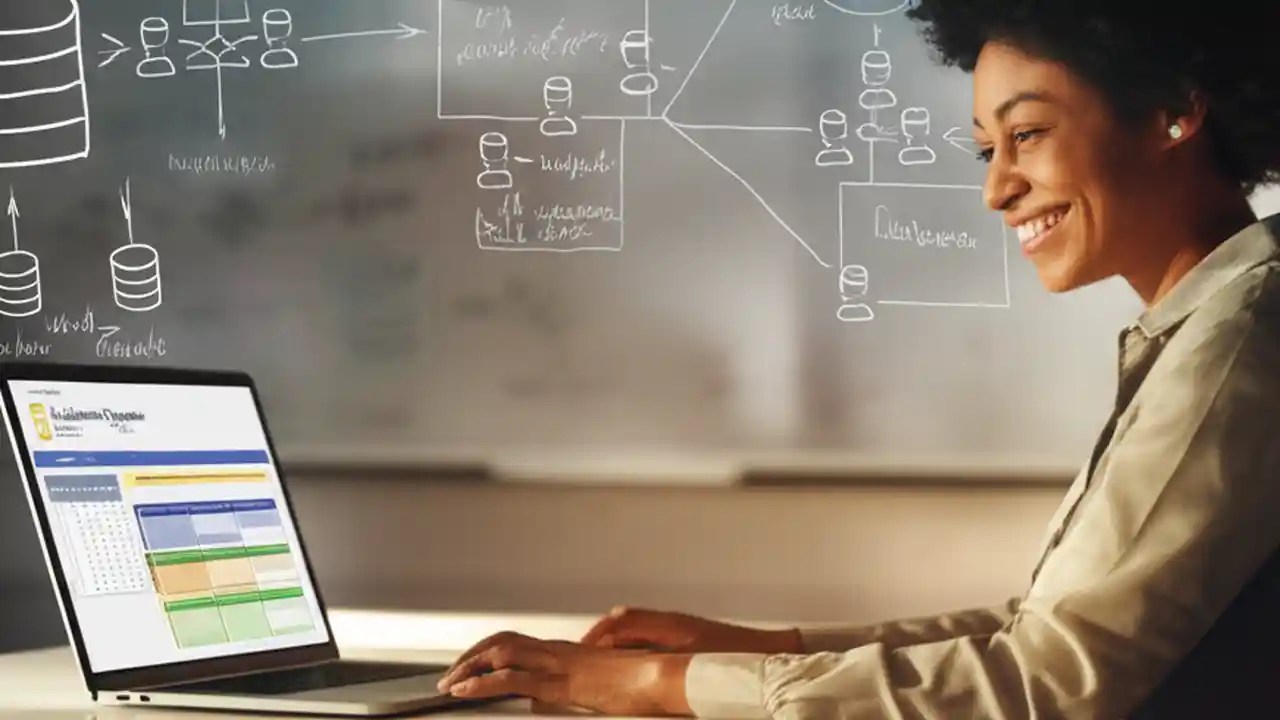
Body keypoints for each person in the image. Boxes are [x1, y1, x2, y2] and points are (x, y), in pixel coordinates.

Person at [433, 3, 1280, 717]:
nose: (997, 188)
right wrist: (768, 649)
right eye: (988, 150)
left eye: (1027, 134)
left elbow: (1047, 681)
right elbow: (1047, 626)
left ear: (1175, 111)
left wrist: (666, 684)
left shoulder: (1239, 338)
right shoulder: (1207, 324)